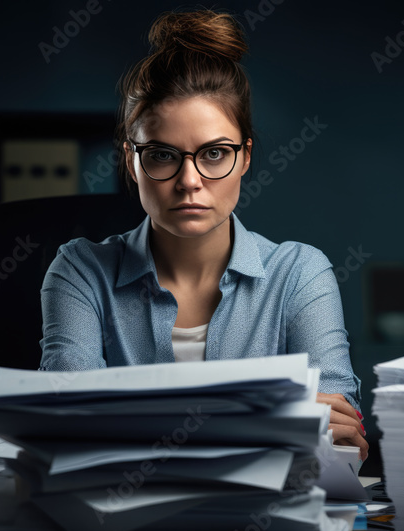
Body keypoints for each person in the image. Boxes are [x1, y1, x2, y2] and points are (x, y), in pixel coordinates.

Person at [39, 9, 368, 460]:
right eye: (161, 154)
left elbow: (342, 438)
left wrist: (125, 416)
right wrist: (272, 417)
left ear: (246, 156)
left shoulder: (300, 273)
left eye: (214, 153)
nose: (189, 180)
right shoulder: (80, 271)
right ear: (131, 161)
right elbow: (65, 422)